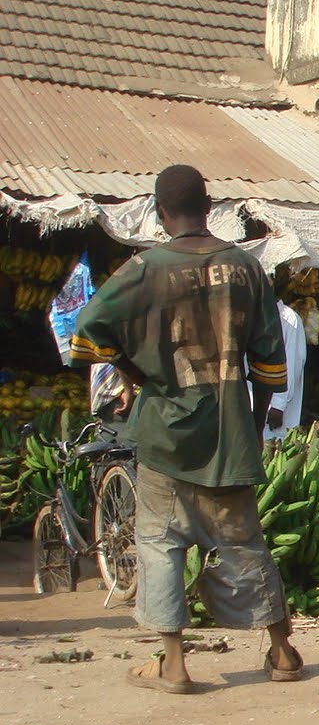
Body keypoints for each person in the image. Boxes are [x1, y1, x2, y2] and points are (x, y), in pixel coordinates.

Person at [69, 164, 302, 693]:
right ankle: (282, 651)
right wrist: (251, 424)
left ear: (159, 212)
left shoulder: (143, 269)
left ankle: (173, 665)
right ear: (209, 206)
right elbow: (270, 361)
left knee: (160, 543)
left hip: (165, 435)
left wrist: (134, 373)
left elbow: (87, 331)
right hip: (229, 431)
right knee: (245, 543)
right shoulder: (246, 268)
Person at [260, 298, 306, 441]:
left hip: (274, 409)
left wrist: (278, 405)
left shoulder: (288, 319)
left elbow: (292, 363)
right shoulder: (253, 314)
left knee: (272, 444)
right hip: (253, 403)